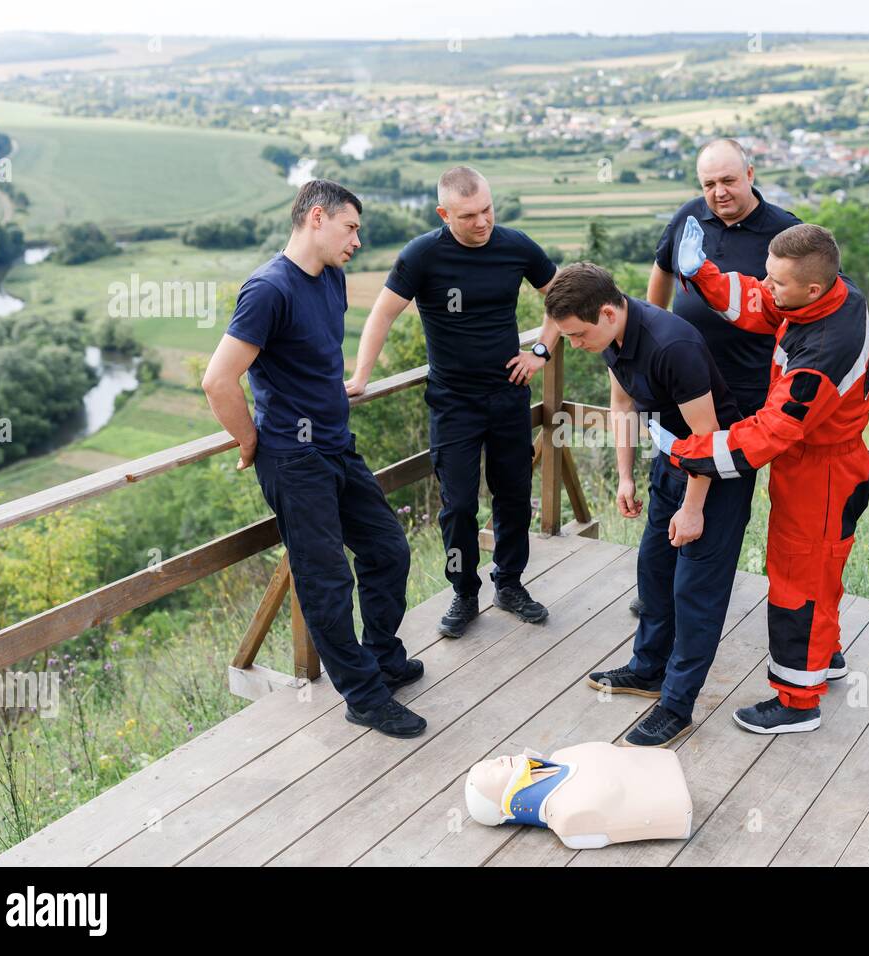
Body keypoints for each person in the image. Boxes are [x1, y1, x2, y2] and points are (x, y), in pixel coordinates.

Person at [202, 179, 425, 739]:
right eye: (350, 228)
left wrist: (338, 390)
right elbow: (218, 380)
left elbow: (316, 357)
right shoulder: (267, 290)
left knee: (387, 549)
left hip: (335, 445)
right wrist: (251, 441)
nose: (356, 241)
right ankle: (364, 696)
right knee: (326, 582)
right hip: (293, 459)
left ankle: (381, 657)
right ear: (317, 217)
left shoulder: (332, 278)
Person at [654, 218, 869, 735]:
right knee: (821, 569)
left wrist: (696, 452)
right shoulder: (832, 294)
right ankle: (825, 656)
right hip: (823, 465)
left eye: (778, 281)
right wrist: (704, 274)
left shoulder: (821, 356)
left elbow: (772, 431)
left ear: (812, 288)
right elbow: (759, 300)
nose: (768, 286)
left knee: (798, 578)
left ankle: (798, 700)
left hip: (822, 473)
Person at [545, 263, 754, 748]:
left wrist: (694, 507)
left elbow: (709, 438)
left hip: (717, 470)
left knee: (695, 587)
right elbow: (622, 406)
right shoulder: (610, 337)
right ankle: (648, 669)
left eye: (577, 335)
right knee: (655, 568)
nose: (574, 345)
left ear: (607, 311)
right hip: (671, 459)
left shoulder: (670, 347)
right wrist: (624, 475)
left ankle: (677, 705)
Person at [346, 166, 560, 638]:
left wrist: (541, 351)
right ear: (445, 214)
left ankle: (510, 583)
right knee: (459, 505)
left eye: (487, 209)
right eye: (469, 216)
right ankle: (464, 592)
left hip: (508, 397)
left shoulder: (516, 245)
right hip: (453, 403)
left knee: (512, 499)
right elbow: (382, 314)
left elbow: (561, 297)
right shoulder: (422, 255)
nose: (483, 222)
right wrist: (362, 374)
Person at [631, 139, 800, 620]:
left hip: (742, 401)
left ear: (750, 172)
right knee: (667, 497)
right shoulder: (689, 217)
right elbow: (661, 272)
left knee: (716, 515)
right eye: (709, 184)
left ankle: (696, 611)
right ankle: (658, 599)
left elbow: (811, 309)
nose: (719, 192)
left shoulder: (785, 232)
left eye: (729, 180)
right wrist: (651, 327)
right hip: (678, 392)